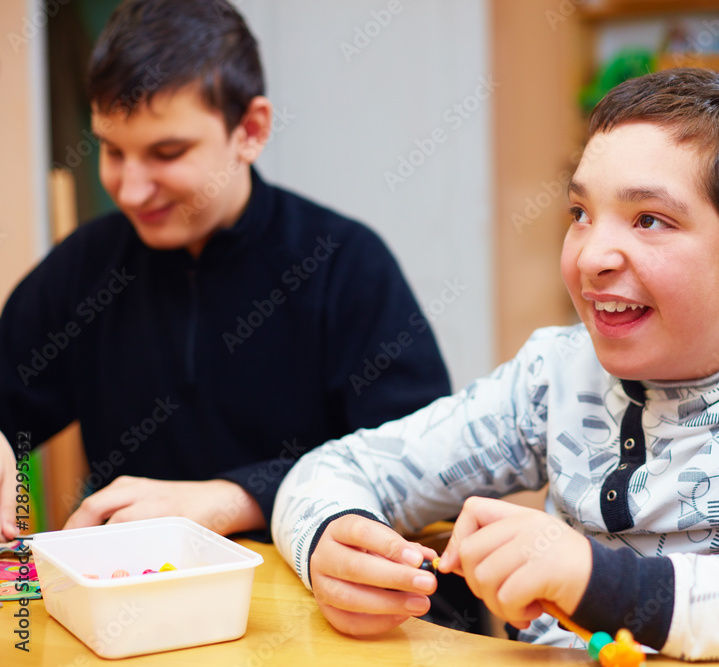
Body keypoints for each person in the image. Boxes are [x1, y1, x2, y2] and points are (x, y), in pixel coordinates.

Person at [272, 68, 719, 664]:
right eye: (581, 213)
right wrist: (331, 535)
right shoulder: (555, 374)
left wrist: (618, 585)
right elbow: (335, 468)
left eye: (649, 219)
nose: (591, 256)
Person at [0, 0, 451, 542]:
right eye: (114, 151)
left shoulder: (344, 264)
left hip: (311, 604)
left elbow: (421, 464)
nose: (131, 189)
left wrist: (232, 500)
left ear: (251, 129)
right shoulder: (83, 268)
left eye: (167, 152)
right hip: (131, 602)